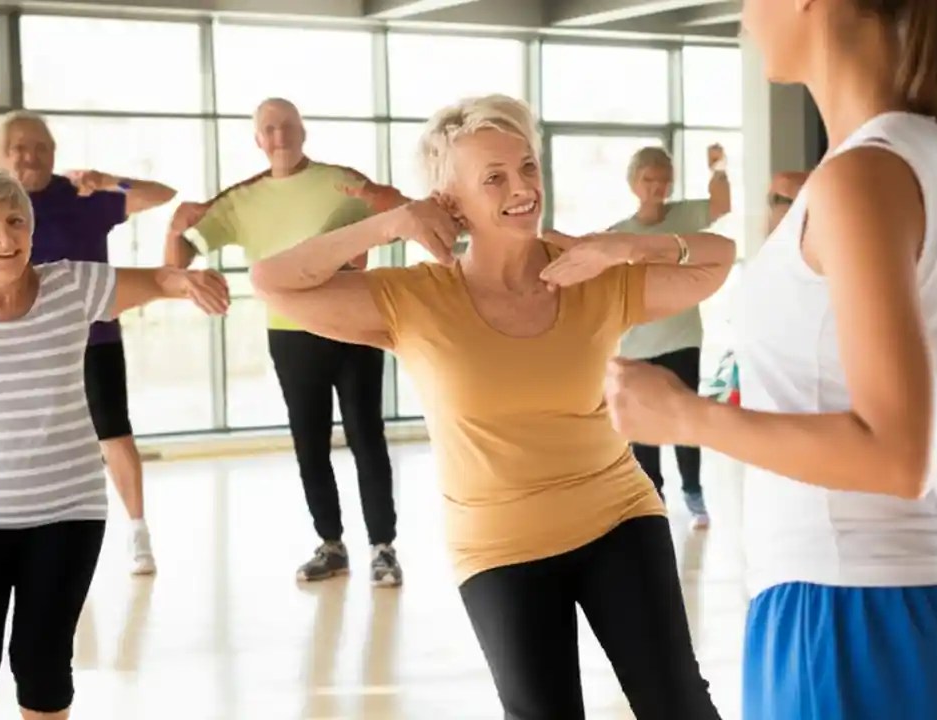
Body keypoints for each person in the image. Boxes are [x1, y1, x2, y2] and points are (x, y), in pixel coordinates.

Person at [248, 94, 735, 719]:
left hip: (617, 515)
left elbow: (717, 261)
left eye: (528, 167)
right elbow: (273, 282)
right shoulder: (414, 298)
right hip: (499, 546)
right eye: (495, 178)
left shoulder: (590, 270)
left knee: (678, 703)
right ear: (451, 204)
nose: (522, 187)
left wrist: (627, 249)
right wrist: (392, 223)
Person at [605, 2, 937, 718]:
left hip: (851, 609)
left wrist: (683, 415)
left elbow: (897, 455)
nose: (746, 17)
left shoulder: (863, 177)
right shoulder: (932, 157)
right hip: (913, 597)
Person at [0, 168, 228, 720]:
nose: (4, 238)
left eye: (16, 222)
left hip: (67, 508)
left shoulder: (71, 286)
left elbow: (159, 280)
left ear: (33, 229)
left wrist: (185, 281)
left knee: (42, 663)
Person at [0, 110, 179, 576]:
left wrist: (110, 179)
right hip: (3, 342)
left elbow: (162, 195)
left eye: (41, 147)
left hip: (91, 338)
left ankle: (137, 531)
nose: (30, 156)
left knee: (114, 431)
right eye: (17, 147)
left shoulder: (80, 194)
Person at [164, 97, 405, 587]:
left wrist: (378, 197)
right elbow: (178, 261)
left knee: (367, 435)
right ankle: (331, 545)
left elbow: (400, 211)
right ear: (258, 140)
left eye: (287, 125)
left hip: (353, 324)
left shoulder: (340, 180)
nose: (279, 135)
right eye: (268, 129)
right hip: (291, 336)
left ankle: (383, 547)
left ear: (303, 131)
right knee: (309, 442)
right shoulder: (240, 200)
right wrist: (173, 225)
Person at [608, 144, 731, 528]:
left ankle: (693, 494)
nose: (657, 187)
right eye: (649, 180)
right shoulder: (618, 234)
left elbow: (721, 206)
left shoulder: (685, 216)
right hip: (636, 343)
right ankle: (652, 498)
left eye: (664, 180)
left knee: (685, 416)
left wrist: (719, 169)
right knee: (642, 426)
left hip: (682, 338)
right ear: (633, 184)